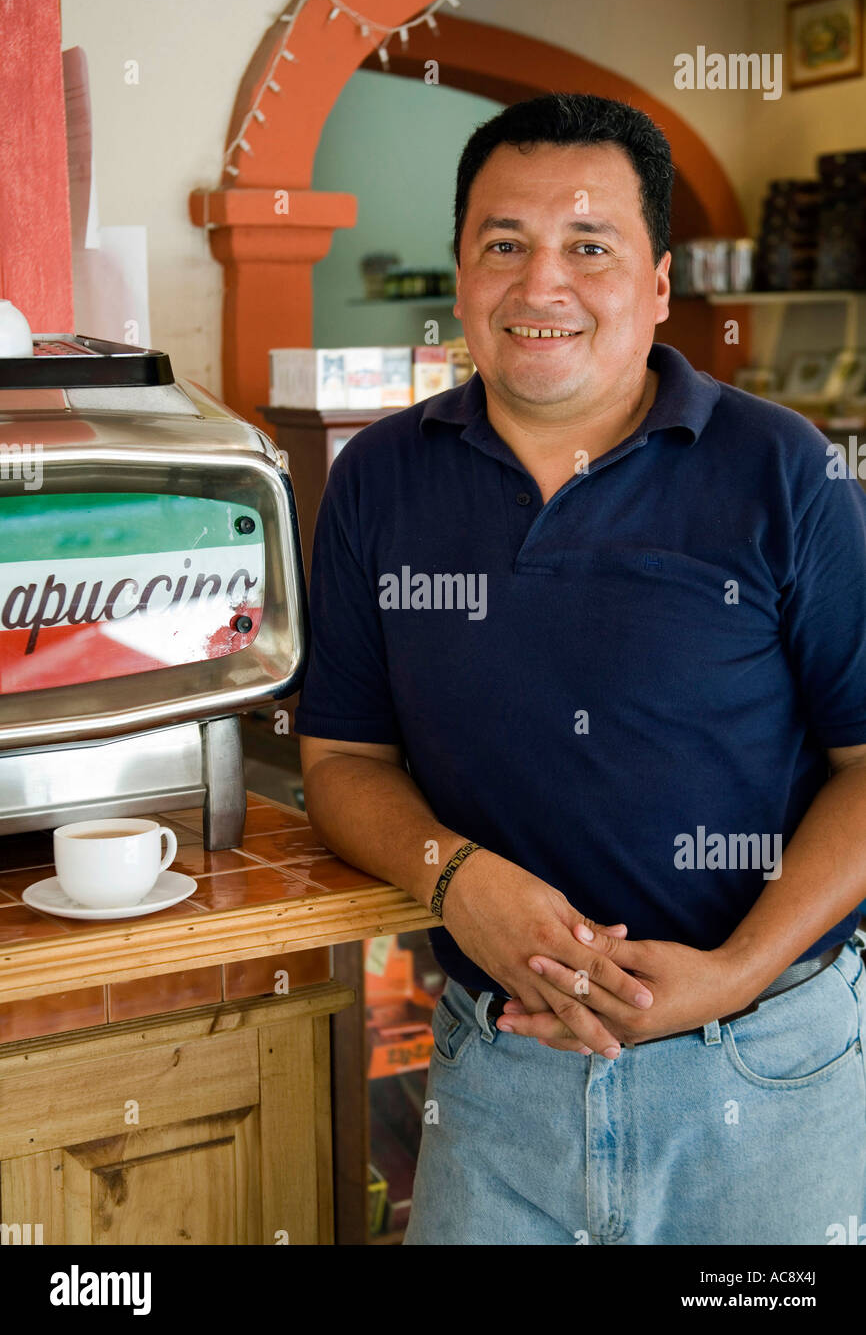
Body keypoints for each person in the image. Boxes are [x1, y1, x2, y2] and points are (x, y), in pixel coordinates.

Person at [295, 92, 866, 1245]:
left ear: (657, 283)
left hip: (763, 1075)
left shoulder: (783, 470)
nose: (539, 284)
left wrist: (737, 970)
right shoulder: (376, 480)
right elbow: (341, 755)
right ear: (460, 276)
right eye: (502, 244)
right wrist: (454, 878)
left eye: (587, 246)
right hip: (497, 1080)